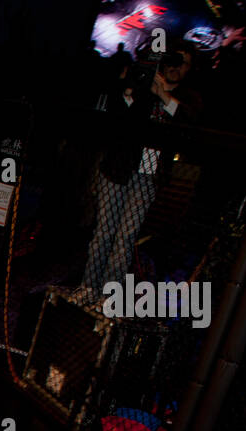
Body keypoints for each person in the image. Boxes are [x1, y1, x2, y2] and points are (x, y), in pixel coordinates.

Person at [76, 49, 196, 306]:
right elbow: (118, 116)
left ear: (189, 69)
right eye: (173, 62)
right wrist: (135, 87)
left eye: (183, 64)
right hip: (119, 168)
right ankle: (88, 287)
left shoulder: (186, 97)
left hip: (149, 175)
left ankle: (108, 295)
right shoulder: (144, 84)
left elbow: (188, 123)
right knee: (104, 232)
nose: (176, 68)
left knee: (126, 237)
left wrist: (163, 94)